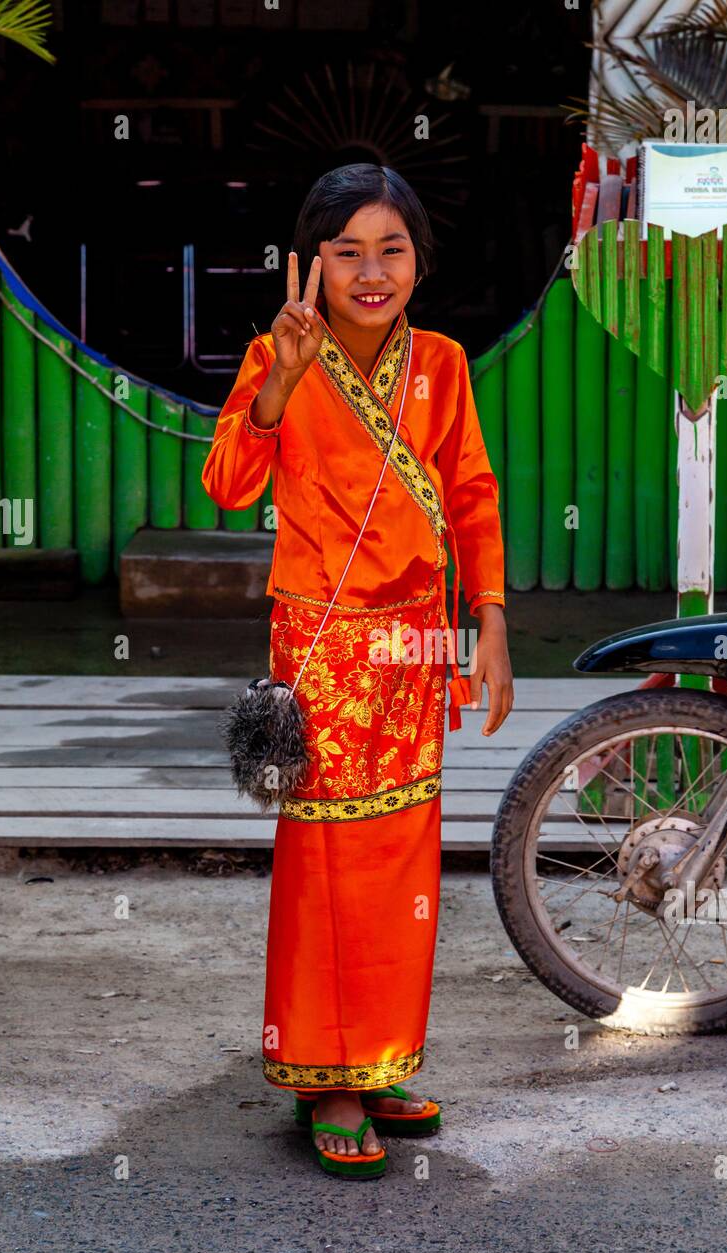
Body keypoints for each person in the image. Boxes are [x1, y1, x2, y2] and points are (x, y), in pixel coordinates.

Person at [202, 163, 512, 1177]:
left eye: (392, 250)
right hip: (323, 645)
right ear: (312, 263)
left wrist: (491, 624)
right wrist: (280, 382)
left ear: (418, 259)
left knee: (402, 846)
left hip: (416, 638)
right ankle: (324, 1075)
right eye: (347, 253)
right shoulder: (271, 354)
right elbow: (224, 484)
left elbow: (470, 494)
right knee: (326, 854)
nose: (371, 273)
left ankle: (377, 1056)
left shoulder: (443, 364)